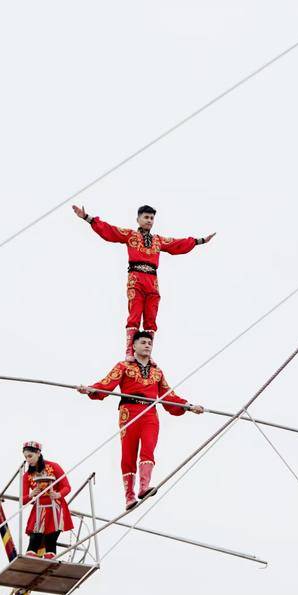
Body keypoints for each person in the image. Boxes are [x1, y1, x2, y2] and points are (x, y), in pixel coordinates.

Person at [78, 331, 204, 510]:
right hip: (129, 411)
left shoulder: (157, 372)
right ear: (134, 346)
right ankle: (129, 495)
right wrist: (90, 389)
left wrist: (189, 406)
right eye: (143, 342)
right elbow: (107, 384)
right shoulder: (123, 366)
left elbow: (170, 396)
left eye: (149, 343)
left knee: (148, 449)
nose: (147, 345)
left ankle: (144, 487)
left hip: (150, 413)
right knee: (128, 453)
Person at [72, 203, 215, 358]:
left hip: (152, 281)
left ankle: (146, 353)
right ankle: (129, 351)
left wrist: (199, 241)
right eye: (146, 217)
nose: (149, 220)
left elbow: (177, 244)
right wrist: (88, 218)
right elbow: (110, 231)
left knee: (151, 319)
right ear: (138, 219)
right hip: (136, 278)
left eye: (152, 218)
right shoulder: (130, 235)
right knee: (134, 315)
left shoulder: (158, 240)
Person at [19, 441, 74, 559]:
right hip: (39, 507)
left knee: (51, 540)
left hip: (56, 505)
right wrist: (31, 495)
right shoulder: (26, 476)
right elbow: (22, 500)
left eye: (30, 456)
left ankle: (50, 559)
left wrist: (58, 494)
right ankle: (30, 562)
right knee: (33, 540)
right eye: (26, 457)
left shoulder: (54, 466)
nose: (28, 460)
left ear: (38, 453)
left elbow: (67, 487)